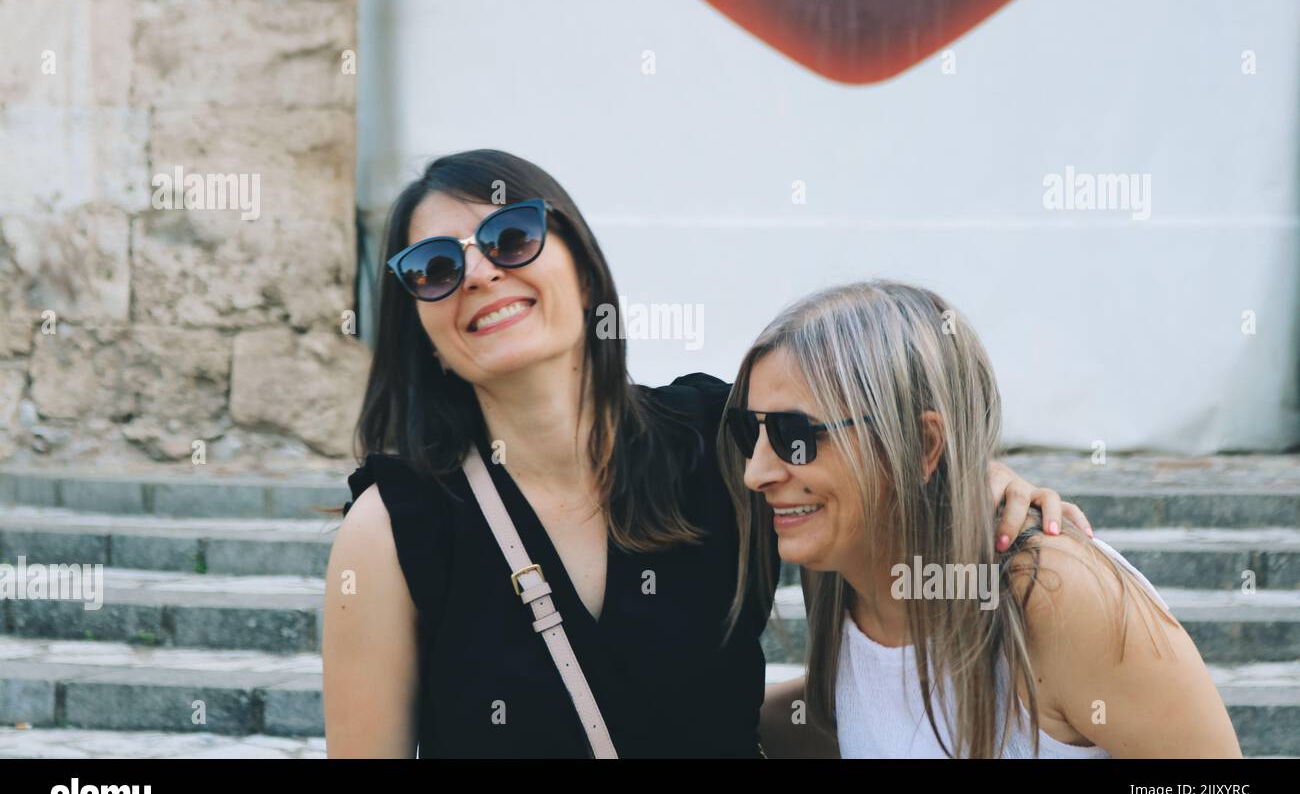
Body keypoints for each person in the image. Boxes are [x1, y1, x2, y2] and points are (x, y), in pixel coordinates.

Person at [323, 150, 1089, 757]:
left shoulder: (717, 438)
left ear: (582, 263)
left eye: (511, 236)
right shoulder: (394, 526)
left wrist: (972, 478)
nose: (481, 273)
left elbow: (870, 460)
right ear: (416, 320)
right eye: (435, 268)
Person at [725, 280, 1241, 757]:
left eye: (796, 436)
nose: (757, 472)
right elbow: (856, 712)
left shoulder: (1054, 595)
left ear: (924, 443)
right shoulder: (840, 578)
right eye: (752, 433)